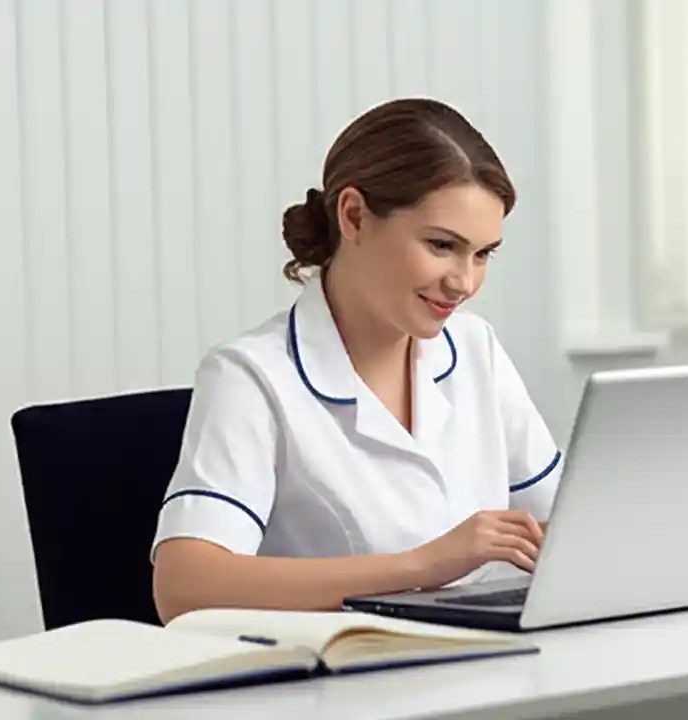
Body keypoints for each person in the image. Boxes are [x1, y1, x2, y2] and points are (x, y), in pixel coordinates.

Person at [151, 98, 563, 622]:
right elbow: (185, 585)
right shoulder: (252, 376)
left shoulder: (475, 349)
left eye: (482, 254)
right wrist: (422, 564)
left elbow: (565, 522)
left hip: (491, 665)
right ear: (354, 216)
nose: (464, 282)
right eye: (441, 245)